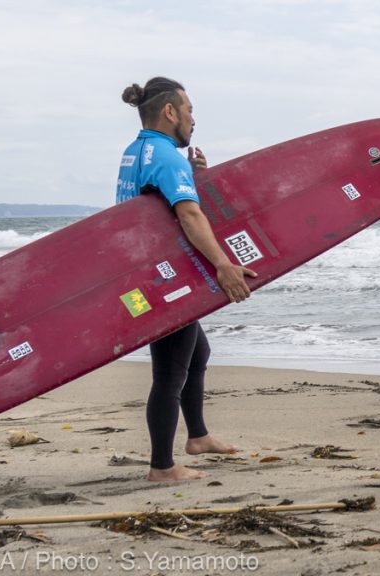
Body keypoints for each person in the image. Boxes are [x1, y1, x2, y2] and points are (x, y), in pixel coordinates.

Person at [117, 77, 257, 482]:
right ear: (170, 111)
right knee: (169, 372)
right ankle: (162, 467)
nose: (194, 119)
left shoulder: (136, 151)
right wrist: (222, 264)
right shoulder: (166, 155)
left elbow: (153, 204)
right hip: (164, 277)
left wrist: (193, 175)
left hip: (145, 268)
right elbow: (188, 214)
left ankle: (197, 436)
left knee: (197, 355)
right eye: (190, 110)